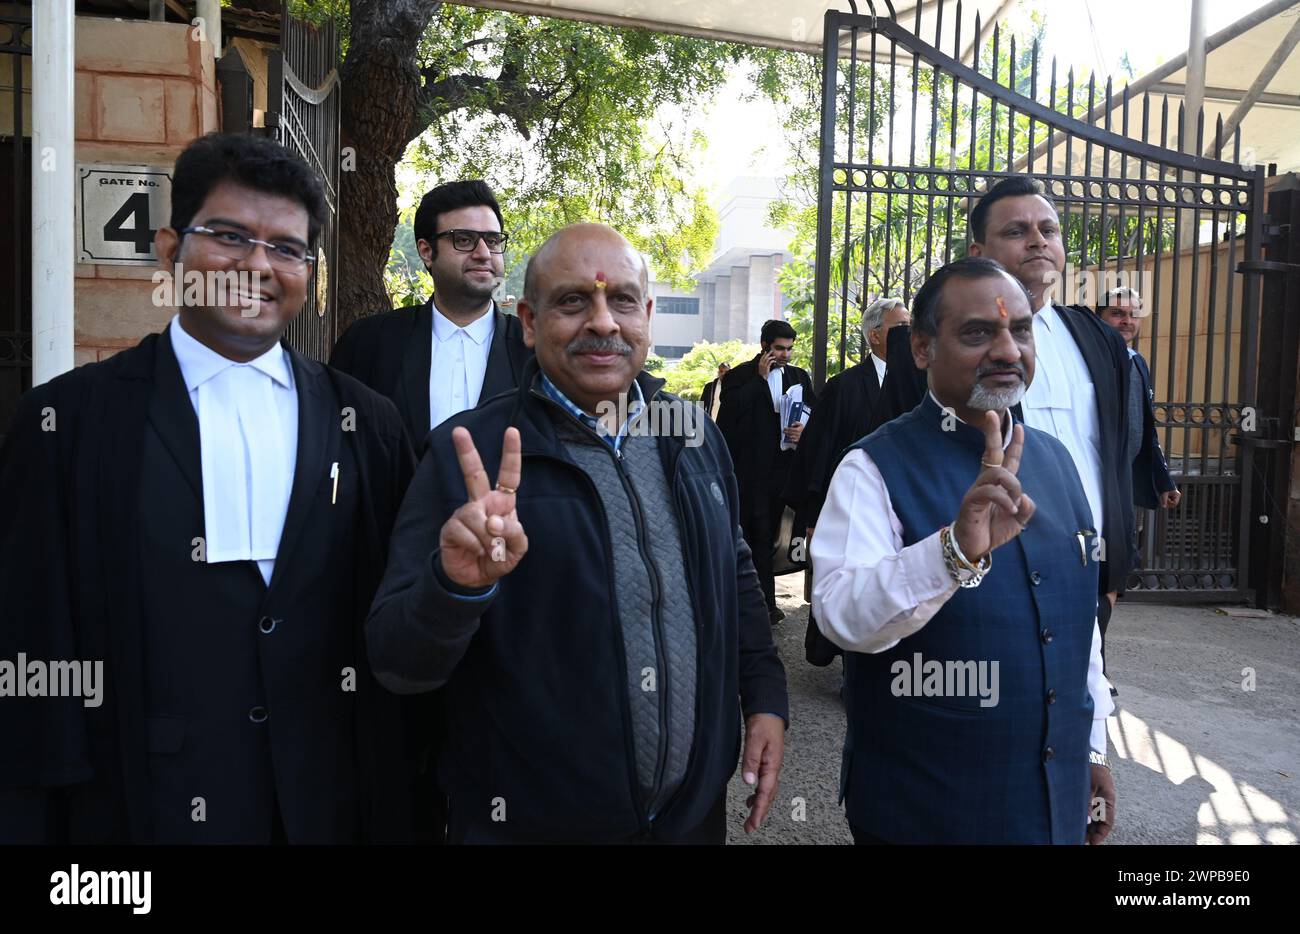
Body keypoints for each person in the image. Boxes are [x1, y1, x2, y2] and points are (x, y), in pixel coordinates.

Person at [0, 133, 417, 843]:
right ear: (169, 251)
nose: (257, 264)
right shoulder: (65, 423)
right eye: (229, 236)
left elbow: (394, 618)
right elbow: (31, 635)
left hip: (327, 806)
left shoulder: (367, 424)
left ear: (308, 274)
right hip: (135, 806)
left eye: (285, 248)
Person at [365, 223, 788, 844]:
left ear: (645, 315)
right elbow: (397, 663)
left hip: (689, 821)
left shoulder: (693, 435)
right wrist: (453, 588)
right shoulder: (471, 456)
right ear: (529, 323)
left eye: (620, 300)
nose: (602, 323)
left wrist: (765, 695)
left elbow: (735, 571)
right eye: (573, 301)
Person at [811, 258, 1116, 845]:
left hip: (1055, 803)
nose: (1007, 350)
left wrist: (1094, 748)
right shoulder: (873, 466)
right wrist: (950, 552)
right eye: (979, 332)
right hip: (927, 810)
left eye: (1019, 330)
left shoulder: (1058, 461)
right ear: (922, 349)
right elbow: (841, 616)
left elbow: (1080, 630)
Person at [873, 176, 1145, 645]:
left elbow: (1118, 449)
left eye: (1049, 229)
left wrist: (1113, 569)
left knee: (1077, 703)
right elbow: (906, 457)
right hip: (975, 569)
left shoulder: (1097, 338)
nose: (1038, 240)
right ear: (979, 249)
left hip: (1085, 574)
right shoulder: (929, 343)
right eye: (1017, 231)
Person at [330, 179, 531, 449]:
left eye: (493, 241)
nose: (484, 253)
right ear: (426, 251)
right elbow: (338, 449)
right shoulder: (368, 343)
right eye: (464, 240)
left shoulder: (536, 352)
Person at [785, 298, 908, 665]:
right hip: (850, 506)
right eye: (900, 327)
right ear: (874, 337)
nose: (910, 334)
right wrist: (812, 515)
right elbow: (818, 451)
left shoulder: (921, 385)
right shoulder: (845, 387)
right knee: (851, 585)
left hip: (899, 506)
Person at [717, 319, 818, 624]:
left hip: (787, 471)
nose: (786, 354)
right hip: (753, 471)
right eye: (779, 348)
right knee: (758, 534)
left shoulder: (799, 376)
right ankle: (764, 606)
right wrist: (760, 380)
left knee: (779, 534)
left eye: (789, 348)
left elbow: (817, 413)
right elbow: (729, 414)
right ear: (764, 346)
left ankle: (768, 601)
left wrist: (805, 429)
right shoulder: (739, 376)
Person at [1096, 286, 1180, 511]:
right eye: (1117, 313)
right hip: (1091, 476)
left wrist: (1163, 479)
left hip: (1128, 482)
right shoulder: (1084, 360)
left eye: (1133, 315)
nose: (1127, 321)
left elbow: (1146, 426)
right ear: (1098, 317)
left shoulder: (1137, 361)